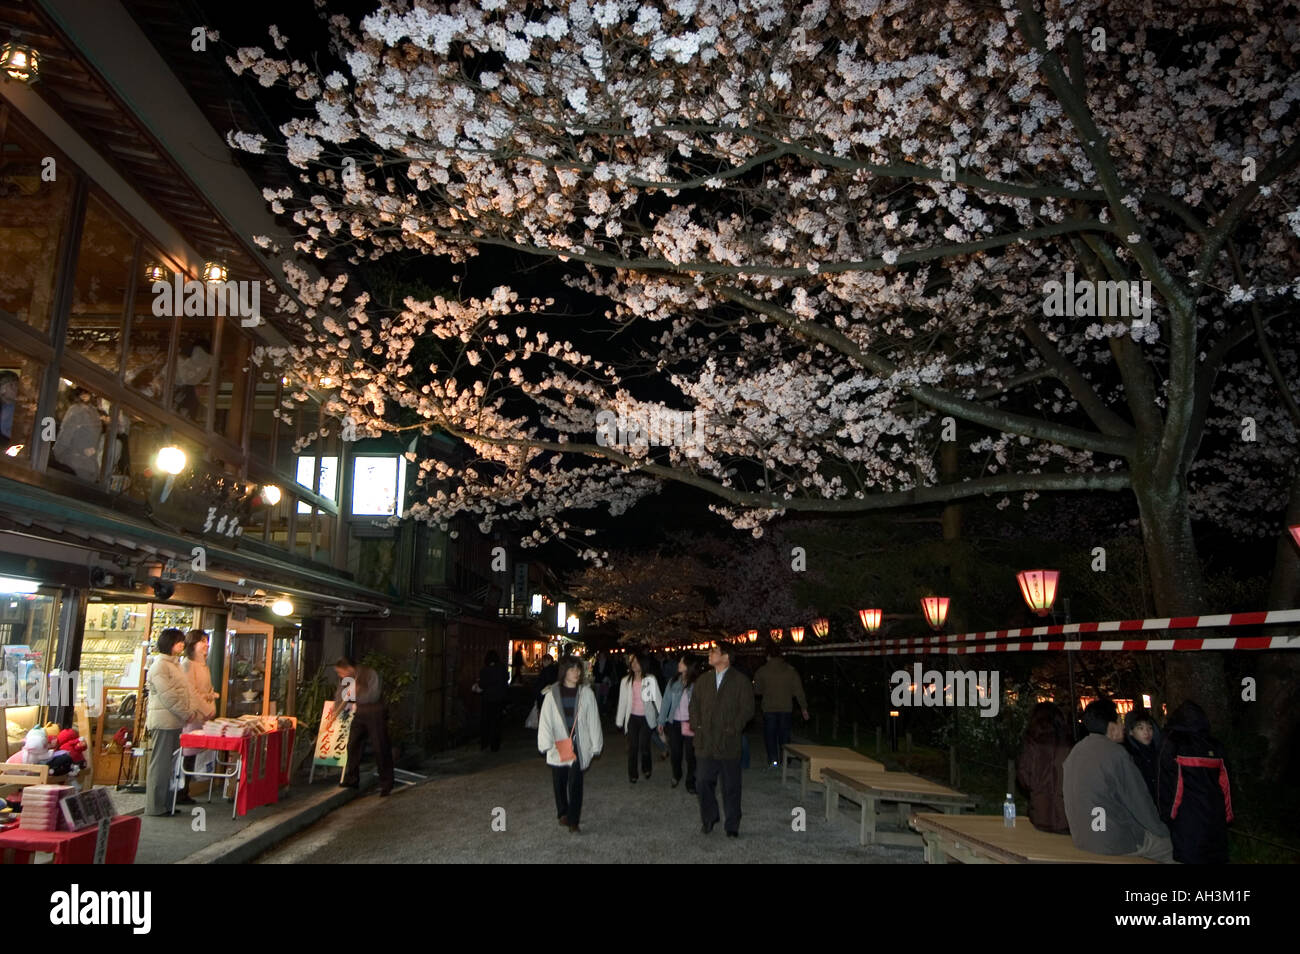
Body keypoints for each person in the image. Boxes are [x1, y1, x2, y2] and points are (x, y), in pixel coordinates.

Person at [1062, 699, 1173, 862]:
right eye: (1119, 721)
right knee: (1174, 849)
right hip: (1113, 840)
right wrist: (1163, 831)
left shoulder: (1075, 752)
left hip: (1082, 837)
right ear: (1110, 726)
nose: (1123, 727)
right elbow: (1139, 802)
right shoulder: (1116, 754)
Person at [689, 641, 755, 837]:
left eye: (714, 651)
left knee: (731, 786)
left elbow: (748, 709)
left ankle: (732, 825)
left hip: (728, 741)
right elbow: (694, 705)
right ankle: (709, 817)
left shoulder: (740, 681)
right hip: (705, 740)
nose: (709, 654)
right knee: (702, 781)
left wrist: (734, 727)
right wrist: (696, 724)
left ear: (726, 657)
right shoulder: (703, 680)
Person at [1156, 701, 1233, 864]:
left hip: (1188, 816)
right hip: (1215, 813)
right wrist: (1227, 815)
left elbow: (1169, 784)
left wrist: (1167, 816)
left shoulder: (1173, 742)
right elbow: (1226, 784)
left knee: (1190, 857)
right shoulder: (1216, 745)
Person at [144, 628, 208, 816]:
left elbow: (186, 691)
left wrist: (197, 710)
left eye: (182, 641)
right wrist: (187, 713)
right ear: (169, 643)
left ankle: (166, 804)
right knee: (160, 764)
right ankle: (155, 806)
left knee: (170, 765)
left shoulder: (175, 665)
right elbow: (169, 696)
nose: (181, 644)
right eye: (178, 641)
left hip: (175, 722)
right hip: (163, 722)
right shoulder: (160, 666)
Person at [537, 656, 603, 833]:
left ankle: (573, 820)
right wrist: (544, 743)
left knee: (575, 782)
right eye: (573, 669)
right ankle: (563, 813)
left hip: (578, 744)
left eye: (578, 669)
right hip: (559, 743)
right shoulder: (552, 694)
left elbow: (593, 720)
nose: (577, 672)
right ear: (564, 671)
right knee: (559, 780)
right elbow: (546, 721)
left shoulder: (586, 693)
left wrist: (596, 744)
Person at [328, 656, 393, 796]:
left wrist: (356, 693)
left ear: (349, 668)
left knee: (379, 746)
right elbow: (341, 696)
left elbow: (373, 695)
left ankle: (386, 783)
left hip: (374, 712)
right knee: (352, 744)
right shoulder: (347, 678)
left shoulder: (369, 674)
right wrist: (334, 713)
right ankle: (352, 779)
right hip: (358, 714)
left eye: (341, 672)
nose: (340, 676)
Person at [1016, 701, 1071, 833]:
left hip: (1039, 813)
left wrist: (1038, 787)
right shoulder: (1070, 745)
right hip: (1067, 816)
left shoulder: (1032, 744)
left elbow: (1024, 776)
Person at [753, 646, 809, 768]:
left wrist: (766, 690)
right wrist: (803, 707)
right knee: (784, 734)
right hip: (786, 707)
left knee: (770, 734)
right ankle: (786, 760)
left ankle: (773, 760)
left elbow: (757, 690)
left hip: (769, 708)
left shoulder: (762, 671)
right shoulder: (790, 670)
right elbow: (798, 690)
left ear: (768, 656)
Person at [178, 629, 218, 797]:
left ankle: (187, 789)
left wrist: (210, 707)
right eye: (202, 641)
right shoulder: (188, 664)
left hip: (203, 715)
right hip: (193, 715)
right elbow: (191, 692)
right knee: (187, 753)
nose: (206, 644)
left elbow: (208, 690)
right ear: (193, 644)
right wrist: (206, 708)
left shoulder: (203, 665)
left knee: (194, 754)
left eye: (206, 640)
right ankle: (181, 790)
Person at [615, 652, 662, 783]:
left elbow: (657, 699)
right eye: (633, 662)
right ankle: (633, 773)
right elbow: (622, 702)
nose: (634, 665)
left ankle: (647, 767)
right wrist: (619, 720)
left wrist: (662, 718)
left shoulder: (650, 679)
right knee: (632, 746)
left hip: (647, 718)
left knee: (644, 745)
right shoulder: (625, 681)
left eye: (637, 662)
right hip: (632, 717)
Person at [657, 655, 700, 792]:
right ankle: (677, 774)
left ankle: (691, 780)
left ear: (688, 665)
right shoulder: (673, 682)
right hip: (674, 722)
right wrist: (661, 721)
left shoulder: (697, 683)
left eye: (682, 662)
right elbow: (665, 702)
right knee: (675, 753)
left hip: (690, 723)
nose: (679, 664)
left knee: (691, 754)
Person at [475, 650, 509, 752]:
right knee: (497, 723)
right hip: (499, 699)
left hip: (487, 699)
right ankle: (495, 745)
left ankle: (485, 743)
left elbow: (481, 685)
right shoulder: (502, 668)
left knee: (486, 722)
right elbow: (506, 679)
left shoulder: (485, 670)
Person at [1124, 708, 1160, 804]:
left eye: (1150, 728)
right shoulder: (1128, 756)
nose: (1146, 732)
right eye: (1141, 728)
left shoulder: (1159, 752)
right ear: (1131, 732)